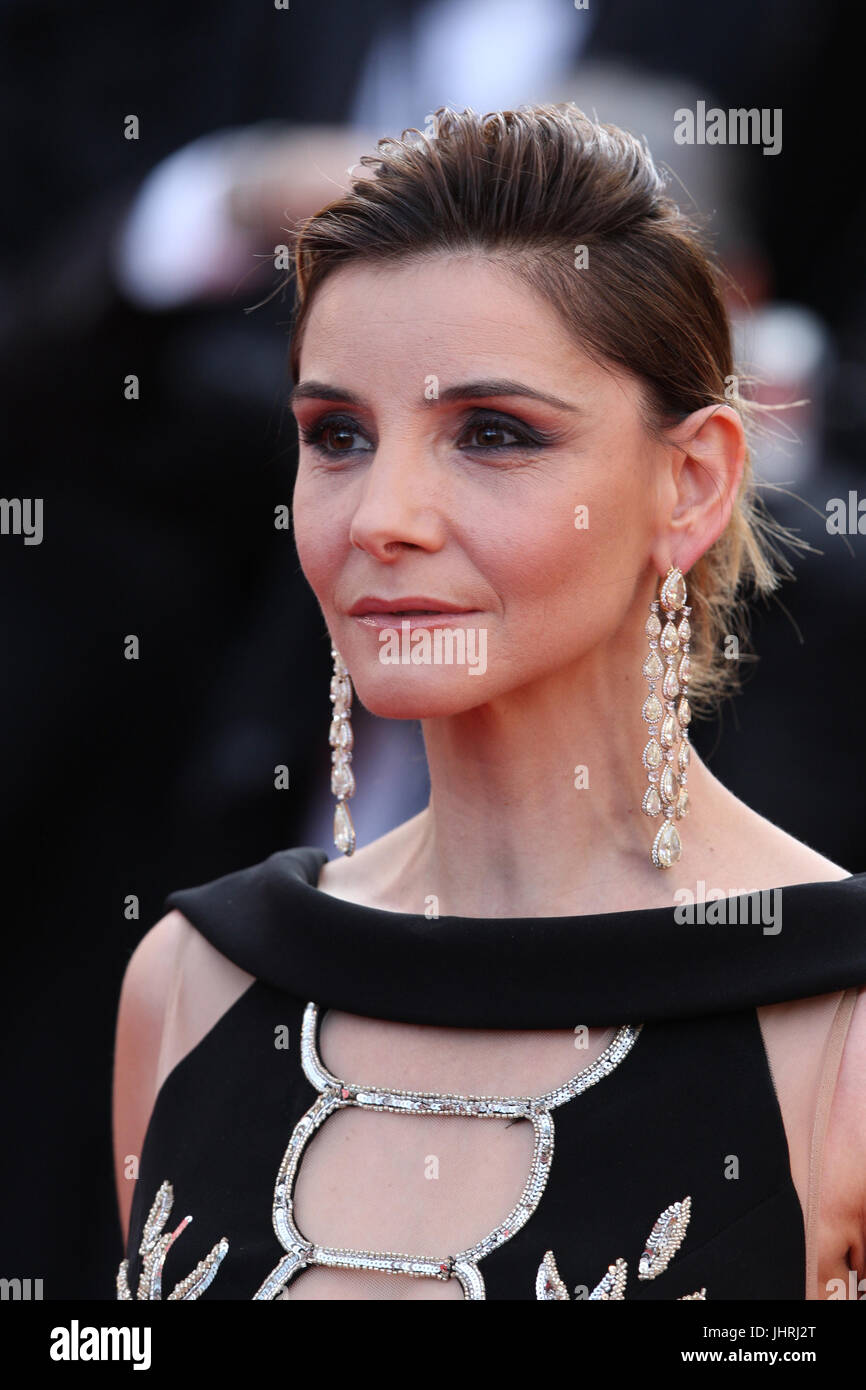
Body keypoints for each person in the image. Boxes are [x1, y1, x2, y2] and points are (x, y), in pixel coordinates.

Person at [112, 104, 866, 1301]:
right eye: (338, 435)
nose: (380, 516)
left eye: (492, 433)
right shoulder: (195, 984)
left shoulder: (837, 1022)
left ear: (690, 482)